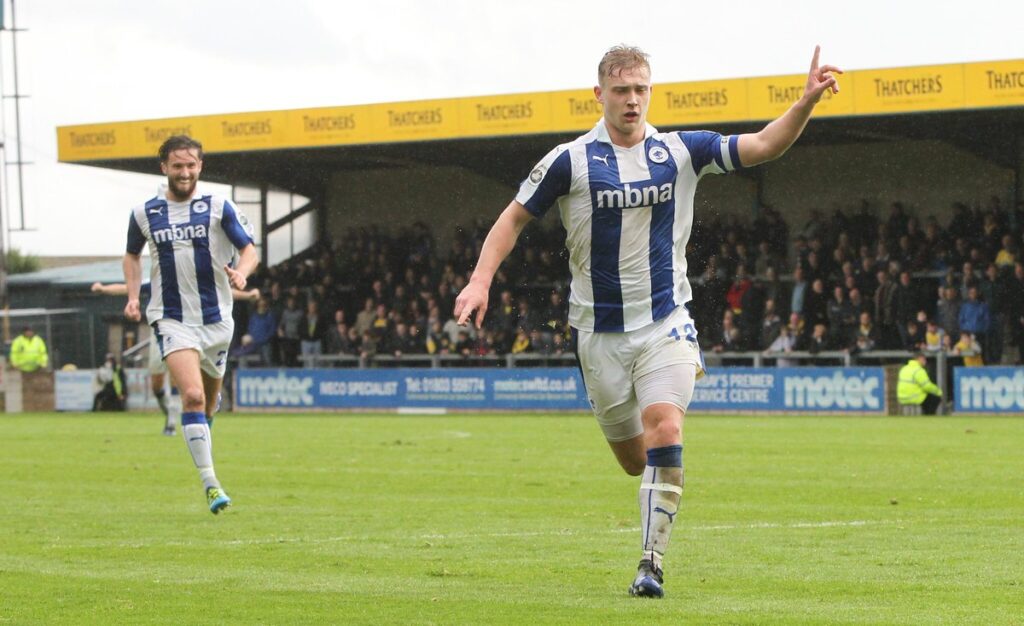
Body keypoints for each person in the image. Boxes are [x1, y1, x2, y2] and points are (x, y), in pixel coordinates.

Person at [453, 44, 841, 598]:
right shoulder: (570, 161)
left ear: (650, 91)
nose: (632, 100)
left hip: (666, 322)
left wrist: (804, 103)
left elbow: (760, 146)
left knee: (666, 427)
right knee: (636, 462)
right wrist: (480, 279)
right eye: (620, 91)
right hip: (598, 336)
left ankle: (650, 564)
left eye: (640, 89)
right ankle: (649, 514)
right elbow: (513, 218)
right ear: (599, 95)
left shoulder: (681, 151)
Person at [122, 135, 258, 514]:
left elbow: (249, 248)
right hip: (171, 319)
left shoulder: (218, 207)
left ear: (200, 166)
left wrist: (242, 274)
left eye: (191, 165)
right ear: (163, 167)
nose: (184, 172)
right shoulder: (144, 213)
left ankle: (200, 434)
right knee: (194, 397)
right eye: (177, 165)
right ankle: (211, 484)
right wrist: (133, 296)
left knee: (210, 404)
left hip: (217, 320)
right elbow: (131, 255)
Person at [92, 281, 259, 434]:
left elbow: (221, 290)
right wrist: (103, 289)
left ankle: (172, 422)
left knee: (177, 378)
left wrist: (247, 295)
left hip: (184, 332)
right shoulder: (158, 281)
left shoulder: (191, 280)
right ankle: (170, 411)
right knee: (156, 385)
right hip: (159, 333)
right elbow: (128, 288)